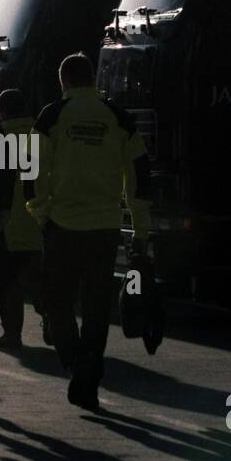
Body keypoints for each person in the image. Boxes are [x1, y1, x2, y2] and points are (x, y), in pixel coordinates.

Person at [28, 53, 151, 411]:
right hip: (105, 228)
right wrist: (139, 228)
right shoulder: (118, 118)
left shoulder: (52, 116)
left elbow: (32, 170)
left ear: (63, 81)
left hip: (62, 226)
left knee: (57, 302)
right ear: (95, 79)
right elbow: (139, 175)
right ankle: (89, 371)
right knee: (97, 307)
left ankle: (74, 360)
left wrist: (42, 215)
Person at [0, 88, 43, 349]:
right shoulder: (42, 135)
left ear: (2, 111)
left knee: (9, 284)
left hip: (8, 226)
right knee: (41, 279)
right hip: (42, 222)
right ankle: (53, 322)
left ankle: (12, 334)